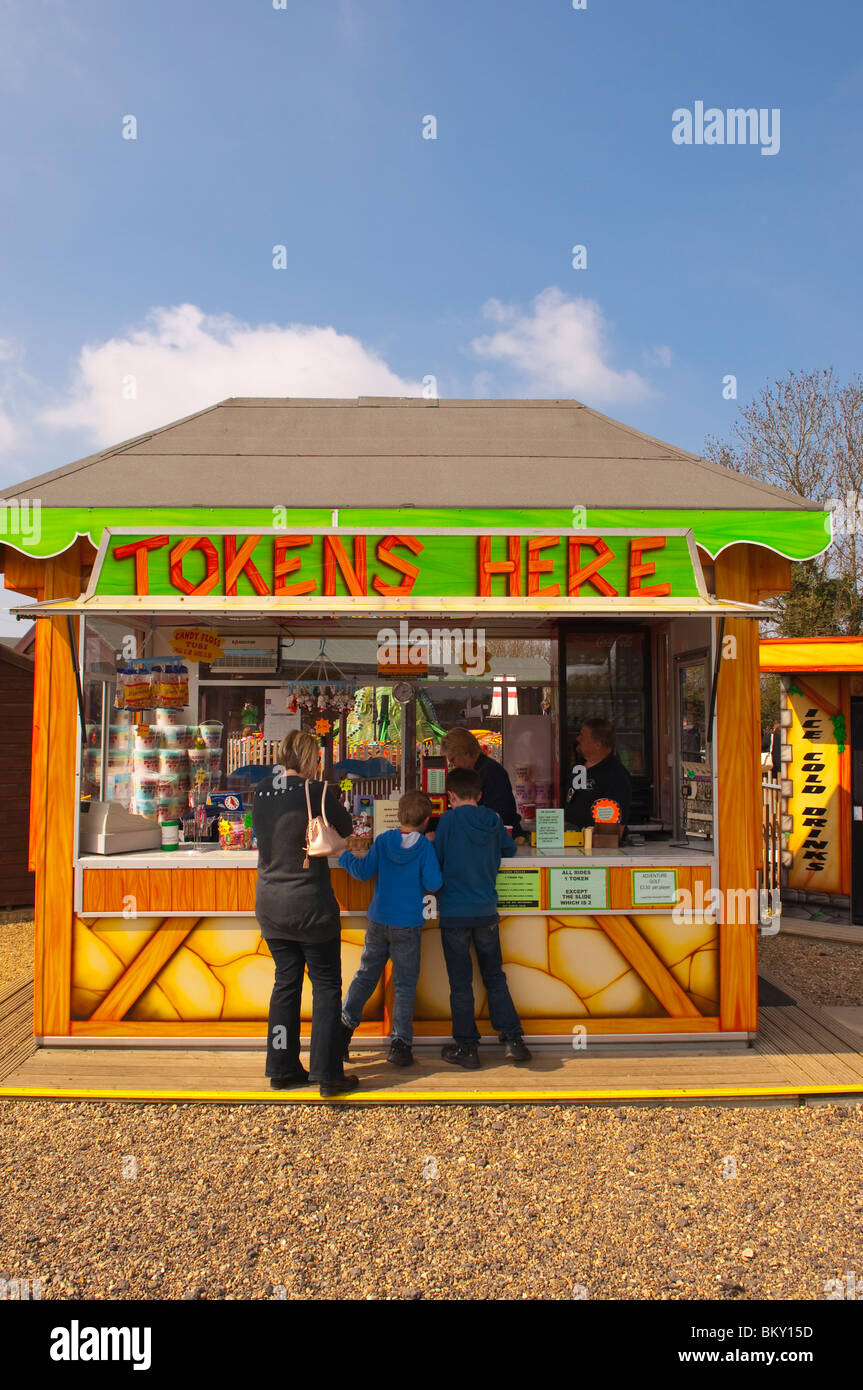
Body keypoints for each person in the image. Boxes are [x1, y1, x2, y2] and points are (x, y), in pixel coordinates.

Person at [252, 729, 358, 1097]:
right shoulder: (318, 791)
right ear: (312, 759)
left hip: (270, 903)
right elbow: (346, 828)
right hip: (310, 906)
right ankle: (328, 1074)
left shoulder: (261, 790)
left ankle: (281, 1066)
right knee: (326, 987)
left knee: (286, 984)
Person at [434, 766, 531, 1069]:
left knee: (460, 982)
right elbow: (509, 851)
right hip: (487, 911)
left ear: (449, 796)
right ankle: (513, 1039)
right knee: (494, 977)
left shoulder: (447, 822)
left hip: (454, 914)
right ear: (479, 794)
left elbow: (436, 860)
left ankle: (467, 1046)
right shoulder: (493, 819)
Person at [337, 790, 442, 1067]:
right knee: (405, 984)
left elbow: (362, 872)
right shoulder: (425, 847)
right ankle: (400, 1044)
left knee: (366, 976)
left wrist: (342, 855)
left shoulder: (383, 841)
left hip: (379, 920)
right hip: (408, 925)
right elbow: (433, 883)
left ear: (398, 816)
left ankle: (342, 1031)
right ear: (427, 821)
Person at [441, 726, 523, 838]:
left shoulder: (490, 772)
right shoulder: (481, 770)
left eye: (453, 759)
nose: (453, 765)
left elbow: (499, 814)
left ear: (464, 752)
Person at [564, 718, 632, 830]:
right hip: (571, 838)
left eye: (582, 735)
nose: (577, 739)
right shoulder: (578, 766)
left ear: (597, 744)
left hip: (597, 842)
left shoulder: (616, 775)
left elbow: (617, 827)